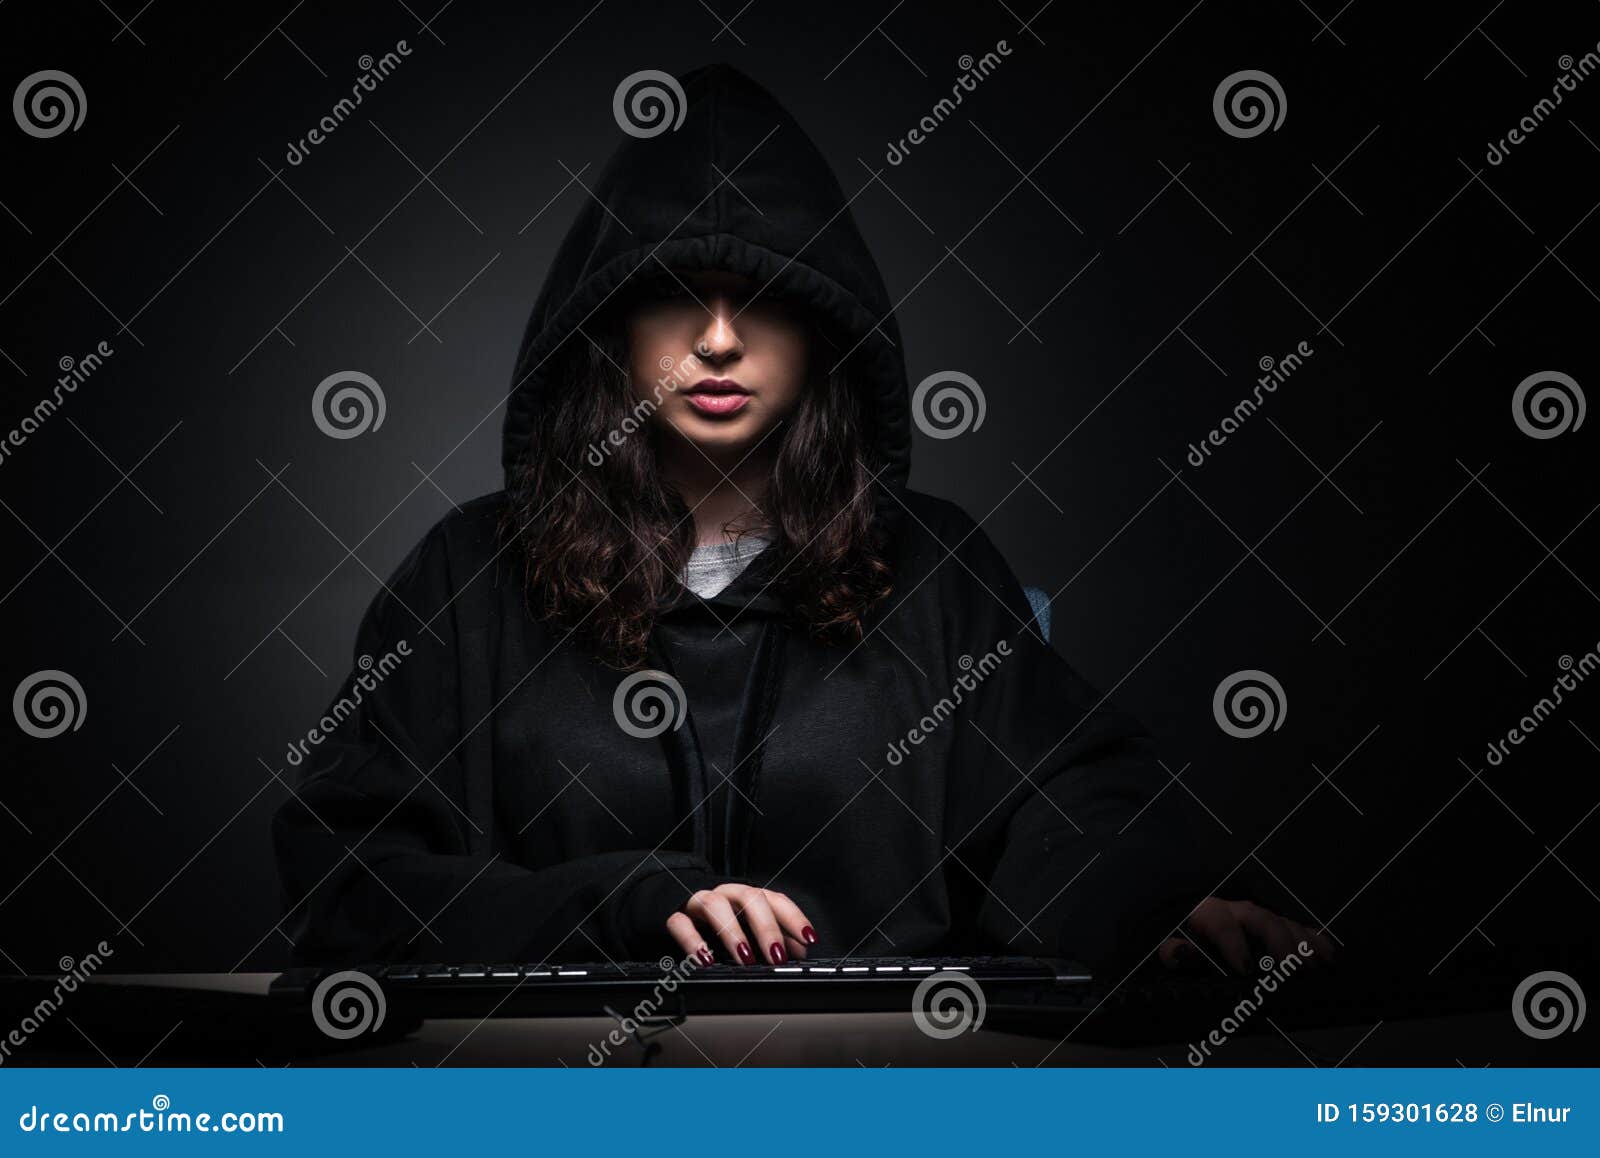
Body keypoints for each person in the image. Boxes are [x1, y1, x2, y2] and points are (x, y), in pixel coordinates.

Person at [273, 64, 1332, 977]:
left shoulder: (934, 571)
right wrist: (627, 908)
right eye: (680, 293)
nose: (722, 339)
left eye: (766, 297)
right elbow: (352, 888)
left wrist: (1147, 911)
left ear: (825, 324)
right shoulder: (469, 577)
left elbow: (1066, 809)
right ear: (612, 325)